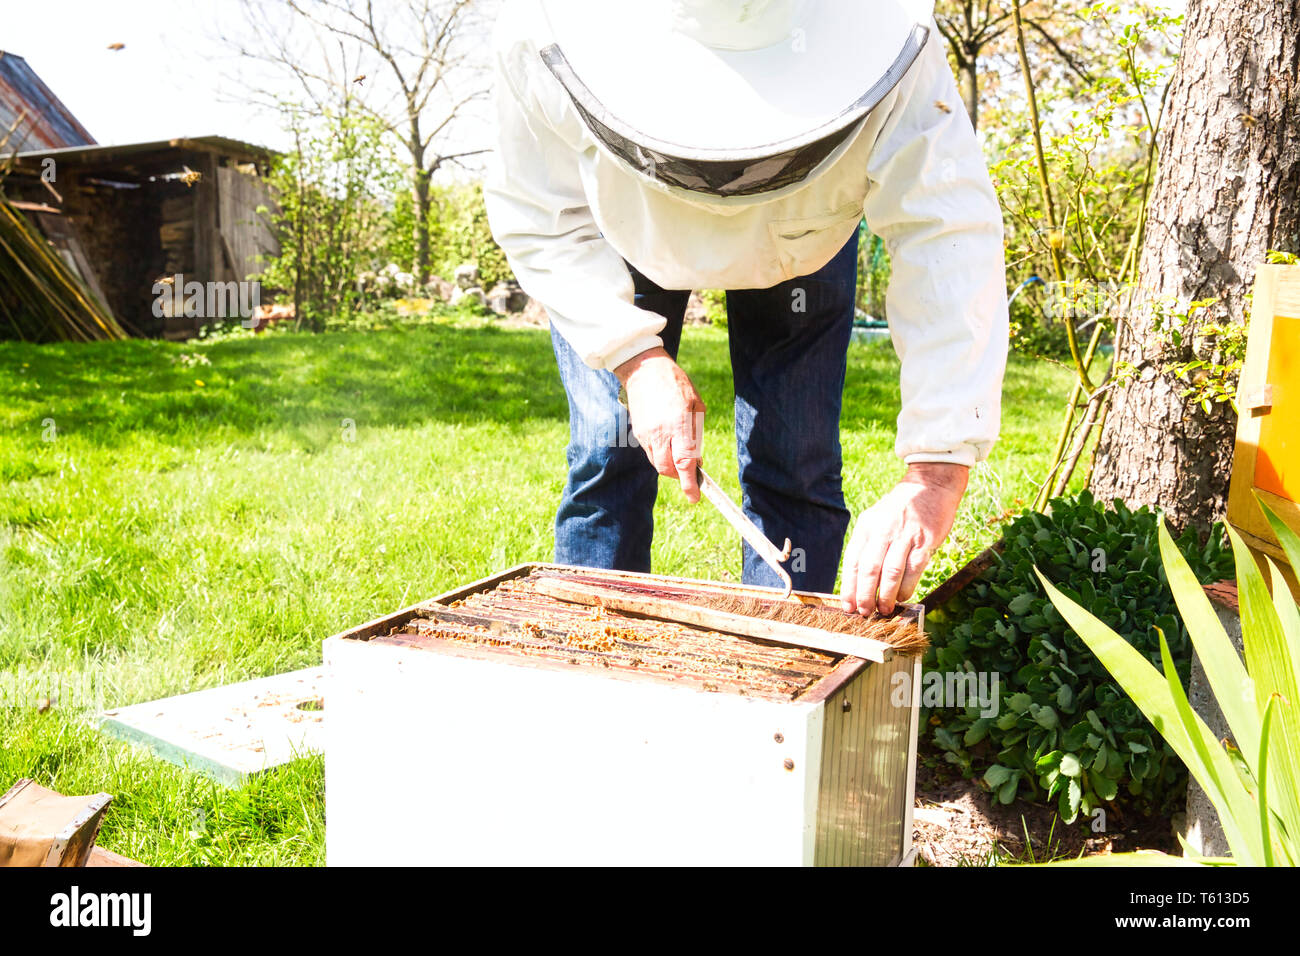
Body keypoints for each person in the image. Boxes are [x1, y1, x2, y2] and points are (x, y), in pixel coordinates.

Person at [485, 0, 1008, 615]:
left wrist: (935, 477)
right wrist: (635, 359)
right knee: (612, 448)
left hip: (803, 250)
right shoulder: (542, 31)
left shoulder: (897, 37)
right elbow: (538, 215)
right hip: (619, 237)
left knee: (797, 462)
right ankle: (598, 651)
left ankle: (785, 664)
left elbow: (946, 232)